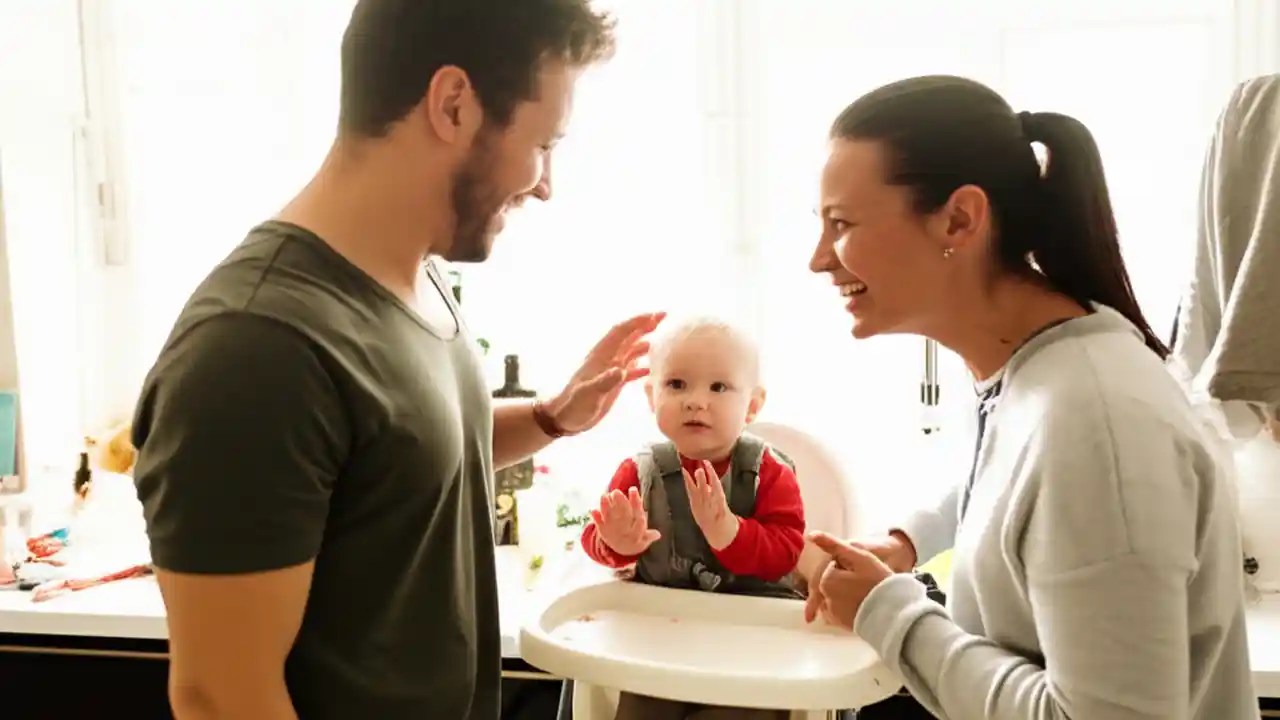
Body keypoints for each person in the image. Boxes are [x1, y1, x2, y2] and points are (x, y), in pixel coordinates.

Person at [129, 2, 661, 719]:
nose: (545, 184)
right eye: (544, 143)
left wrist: (550, 418)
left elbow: (406, 452)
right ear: (453, 104)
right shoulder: (254, 348)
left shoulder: (416, 276)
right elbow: (222, 697)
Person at [802, 75, 1258, 720]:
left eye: (840, 224)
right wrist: (908, 542)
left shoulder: (1095, 422)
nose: (820, 259)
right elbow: (1000, 482)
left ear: (959, 218)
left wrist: (891, 612)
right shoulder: (1034, 369)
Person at [580, 315, 804, 720]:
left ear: (752, 405)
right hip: (660, 643)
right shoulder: (639, 473)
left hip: (753, 651)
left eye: (719, 387)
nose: (696, 401)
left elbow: (787, 552)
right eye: (677, 384)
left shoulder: (770, 472)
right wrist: (616, 544)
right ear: (651, 396)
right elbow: (597, 540)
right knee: (639, 709)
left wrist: (730, 533)